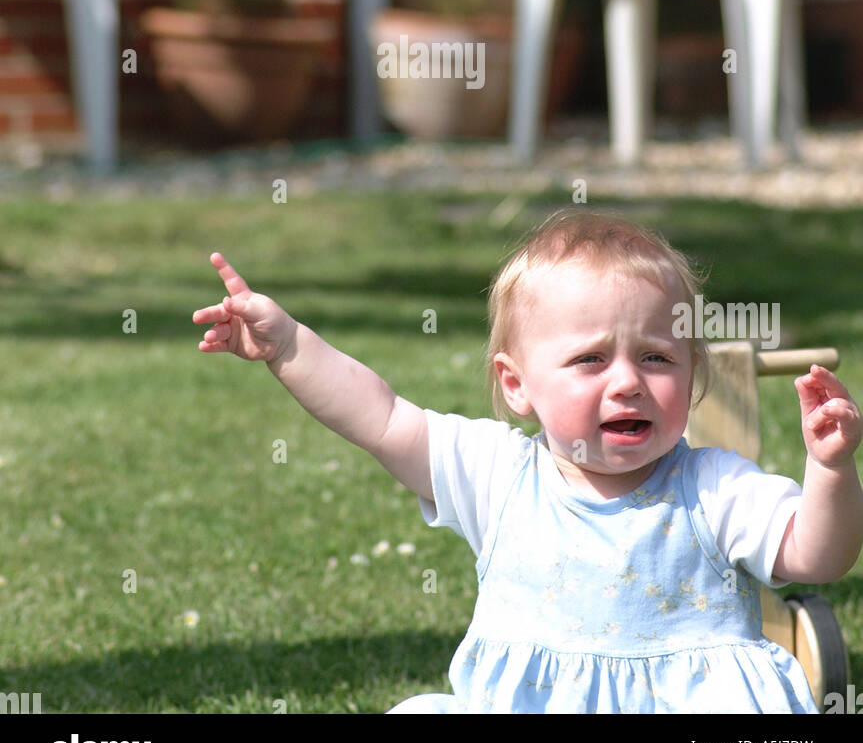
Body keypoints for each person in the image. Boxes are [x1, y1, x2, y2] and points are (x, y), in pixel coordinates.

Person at [192, 209, 863, 714]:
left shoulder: (713, 488)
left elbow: (818, 557)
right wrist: (289, 348)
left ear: (692, 374)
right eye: (590, 359)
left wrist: (830, 469)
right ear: (516, 385)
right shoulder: (496, 476)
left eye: (656, 357)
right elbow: (381, 416)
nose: (627, 382)